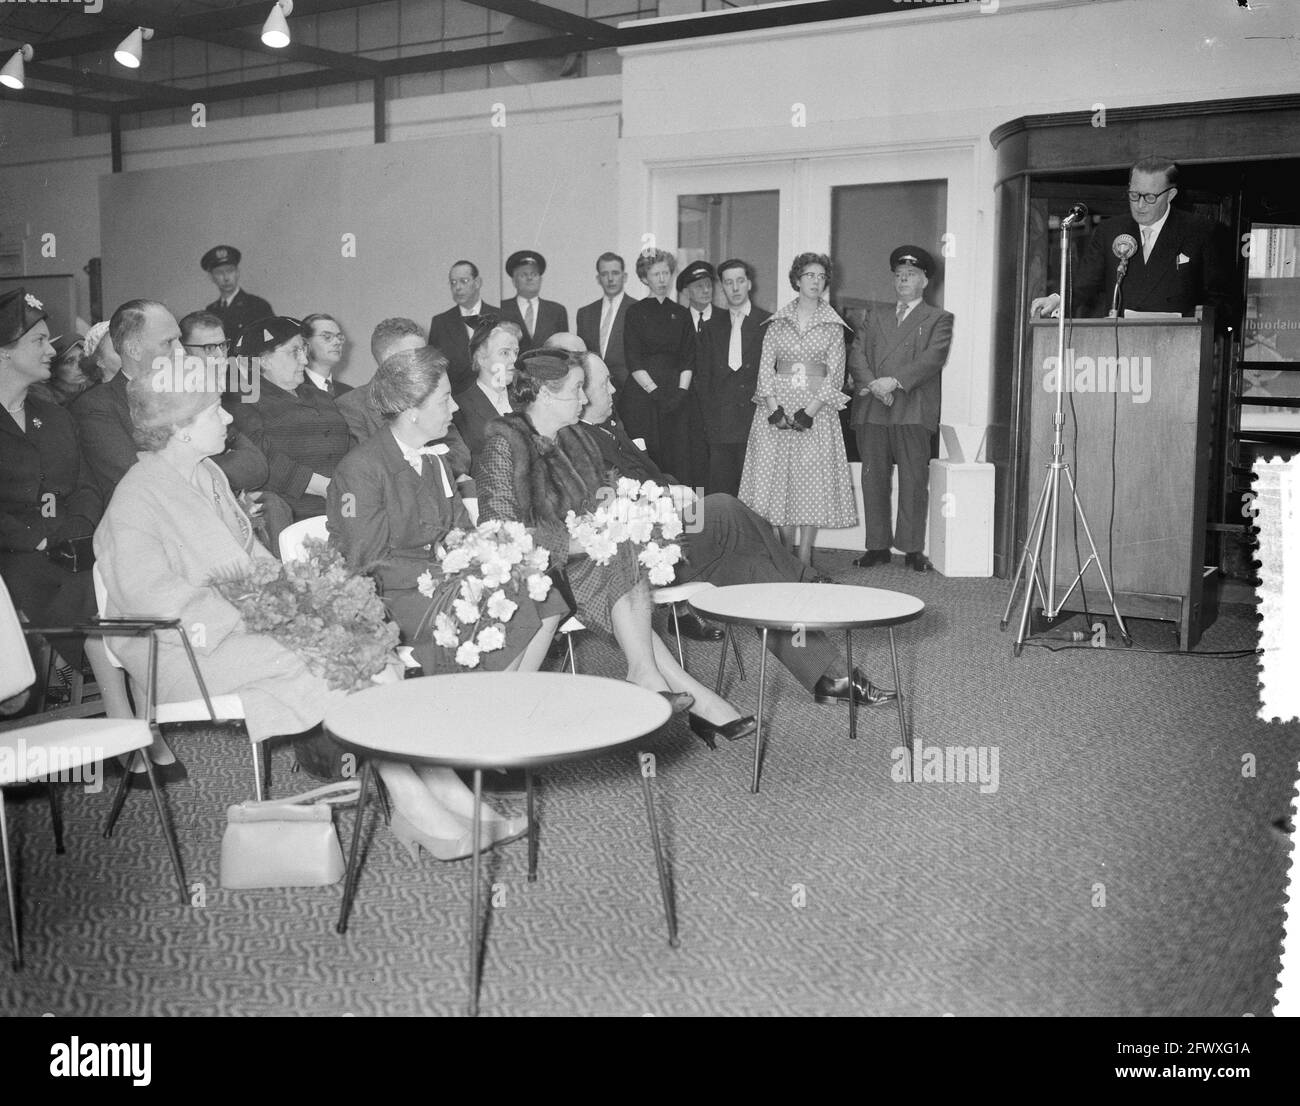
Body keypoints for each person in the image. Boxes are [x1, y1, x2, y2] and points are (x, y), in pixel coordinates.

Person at [97, 369, 521, 854]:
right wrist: (258, 614)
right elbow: (146, 598)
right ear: (181, 426)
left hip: (241, 630)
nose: (229, 415)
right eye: (216, 408)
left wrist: (294, 603)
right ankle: (414, 803)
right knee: (335, 662)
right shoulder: (137, 496)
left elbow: (251, 562)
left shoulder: (206, 474)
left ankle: (439, 786)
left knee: (371, 649)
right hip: (182, 649)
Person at [570, 344, 896, 709]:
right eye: (604, 385)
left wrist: (674, 490)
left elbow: (653, 474)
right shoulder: (575, 442)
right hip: (641, 557)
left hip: (676, 533)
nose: (614, 389)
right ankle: (805, 578)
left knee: (757, 573)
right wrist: (669, 496)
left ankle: (831, 677)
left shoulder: (611, 426)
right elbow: (605, 505)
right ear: (579, 394)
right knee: (724, 507)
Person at [474, 348, 757, 748]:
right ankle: (683, 694)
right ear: (545, 394)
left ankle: (658, 682)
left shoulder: (575, 438)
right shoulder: (505, 446)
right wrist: (577, 540)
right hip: (538, 571)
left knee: (624, 549)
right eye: (576, 390)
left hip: (586, 563)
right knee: (621, 556)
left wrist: (628, 511)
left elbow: (600, 495)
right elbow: (500, 531)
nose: (585, 398)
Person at [328, 344, 564, 678]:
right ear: (412, 410)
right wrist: (450, 574)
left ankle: (506, 697)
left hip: (435, 579)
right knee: (505, 606)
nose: (454, 407)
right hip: (392, 596)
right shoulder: (362, 469)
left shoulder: (434, 457)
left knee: (544, 596)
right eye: (444, 400)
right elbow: (368, 565)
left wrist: (490, 560)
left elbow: (460, 531)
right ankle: (494, 702)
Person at [0, 288, 101, 691]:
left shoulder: (53, 416)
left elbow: (84, 485)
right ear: (4, 351)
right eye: (38, 341)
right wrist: (36, 538)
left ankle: (64, 671)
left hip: (67, 545)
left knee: (102, 577)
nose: (51, 352)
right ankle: (53, 675)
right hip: (13, 555)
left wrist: (75, 528)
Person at [73, 302, 268, 504]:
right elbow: (144, 482)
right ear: (133, 350)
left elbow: (256, 467)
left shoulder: (193, 389)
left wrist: (191, 468)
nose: (181, 351)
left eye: (180, 340)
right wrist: (211, 466)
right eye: (168, 342)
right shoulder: (96, 407)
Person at [738, 251, 857, 567]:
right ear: (797, 280)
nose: (815, 281)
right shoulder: (778, 322)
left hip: (815, 413)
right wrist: (774, 409)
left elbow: (835, 374)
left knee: (811, 484)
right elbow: (765, 368)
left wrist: (810, 411)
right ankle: (783, 553)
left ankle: (804, 556)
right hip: (779, 410)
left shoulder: (833, 326)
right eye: (809, 275)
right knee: (781, 483)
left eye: (821, 276)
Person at [848, 246, 953, 573]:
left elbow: (932, 359)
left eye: (910, 275)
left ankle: (911, 549)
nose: (903, 280)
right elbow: (856, 355)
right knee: (873, 479)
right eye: (898, 275)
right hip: (873, 408)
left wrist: (893, 382)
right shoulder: (873, 316)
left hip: (912, 407)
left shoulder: (939, 318)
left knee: (912, 479)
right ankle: (876, 546)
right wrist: (875, 385)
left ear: (925, 281)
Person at [1029, 156, 1231, 320]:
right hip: (1122, 355)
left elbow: (1219, 300)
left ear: (1171, 195)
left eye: (1150, 197)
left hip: (1178, 347)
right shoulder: (1109, 231)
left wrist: (1192, 322)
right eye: (1134, 195)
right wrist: (1058, 299)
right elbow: (1084, 284)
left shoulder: (1201, 232)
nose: (1140, 205)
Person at [226, 316, 351, 524]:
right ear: (264, 360)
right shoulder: (244, 399)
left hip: (341, 504)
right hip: (292, 514)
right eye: (295, 352)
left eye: (304, 349)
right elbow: (262, 458)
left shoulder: (319, 396)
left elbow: (349, 446)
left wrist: (354, 494)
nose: (304, 359)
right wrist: (329, 488)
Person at [336, 317, 475, 491]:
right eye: (416, 355)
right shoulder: (351, 406)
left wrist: (432, 472)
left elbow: (459, 454)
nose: (427, 362)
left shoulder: (433, 394)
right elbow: (369, 468)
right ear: (388, 360)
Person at [696, 259, 771, 497]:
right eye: (729, 283)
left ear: (749, 283)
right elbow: (703, 378)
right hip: (721, 429)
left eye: (740, 281)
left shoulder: (768, 323)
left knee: (757, 500)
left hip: (757, 425)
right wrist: (710, 423)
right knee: (722, 498)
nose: (735, 288)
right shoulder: (710, 327)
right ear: (722, 287)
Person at [621, 249, 696, 479]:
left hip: (677, 394)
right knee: (648, 458)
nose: (663, 279)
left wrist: (681, 392)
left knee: (678, 455)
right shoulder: (635, 312)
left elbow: (688, 356)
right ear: (645, 278)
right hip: (644, 395)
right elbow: (633, 359)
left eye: (666, 273)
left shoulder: (682, 313)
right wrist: (655, 393)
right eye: (656, 274)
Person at [452, 317, 522, 464]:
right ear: (481, 358)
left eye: (516, 352)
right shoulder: (459, 408)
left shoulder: (523, 401)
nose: (514, 360)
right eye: (505, 353)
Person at [428, 260, 499, 395]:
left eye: (463, 281)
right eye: (453, 283)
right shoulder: (440, 323)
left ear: (477, 282)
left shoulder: (500, 317)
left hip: (496, 401)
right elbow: (434, 371)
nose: (457, 288)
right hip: (458, 405)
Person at [575, 252, 634, 391]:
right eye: (604, 274)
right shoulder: (585, 313)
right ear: (598, 278)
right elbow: (582, 356)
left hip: (629, 390)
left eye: (615, 273)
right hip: (594, 390)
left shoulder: (638, 310)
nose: (610, 279)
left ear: (624, 277)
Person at [201, 245, 274, 340]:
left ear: (237, 272)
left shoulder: (258, 306)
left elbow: (271, 342)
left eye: (230, 271)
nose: (226, 278)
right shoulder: (210, 311)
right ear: (211, 277)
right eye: (219, 272)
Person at [498, 250, 568, 348]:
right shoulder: (500, 309)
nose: (529, 278)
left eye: (534, 274)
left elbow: (564, 348)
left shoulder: (556, 311)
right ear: (514, 281)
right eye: (523, 275)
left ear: (540, 280)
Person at [29, 334, 97, 407]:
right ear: (53, 370)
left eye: (82, 357)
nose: (81, 365)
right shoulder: (44, 397)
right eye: (69, 361)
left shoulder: (96, 387)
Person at [301, 314, 352, 397]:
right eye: (327, 337)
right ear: (305, 343)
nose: (337, 342)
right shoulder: (293, 390)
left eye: (339, 337)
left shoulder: (349, 393)